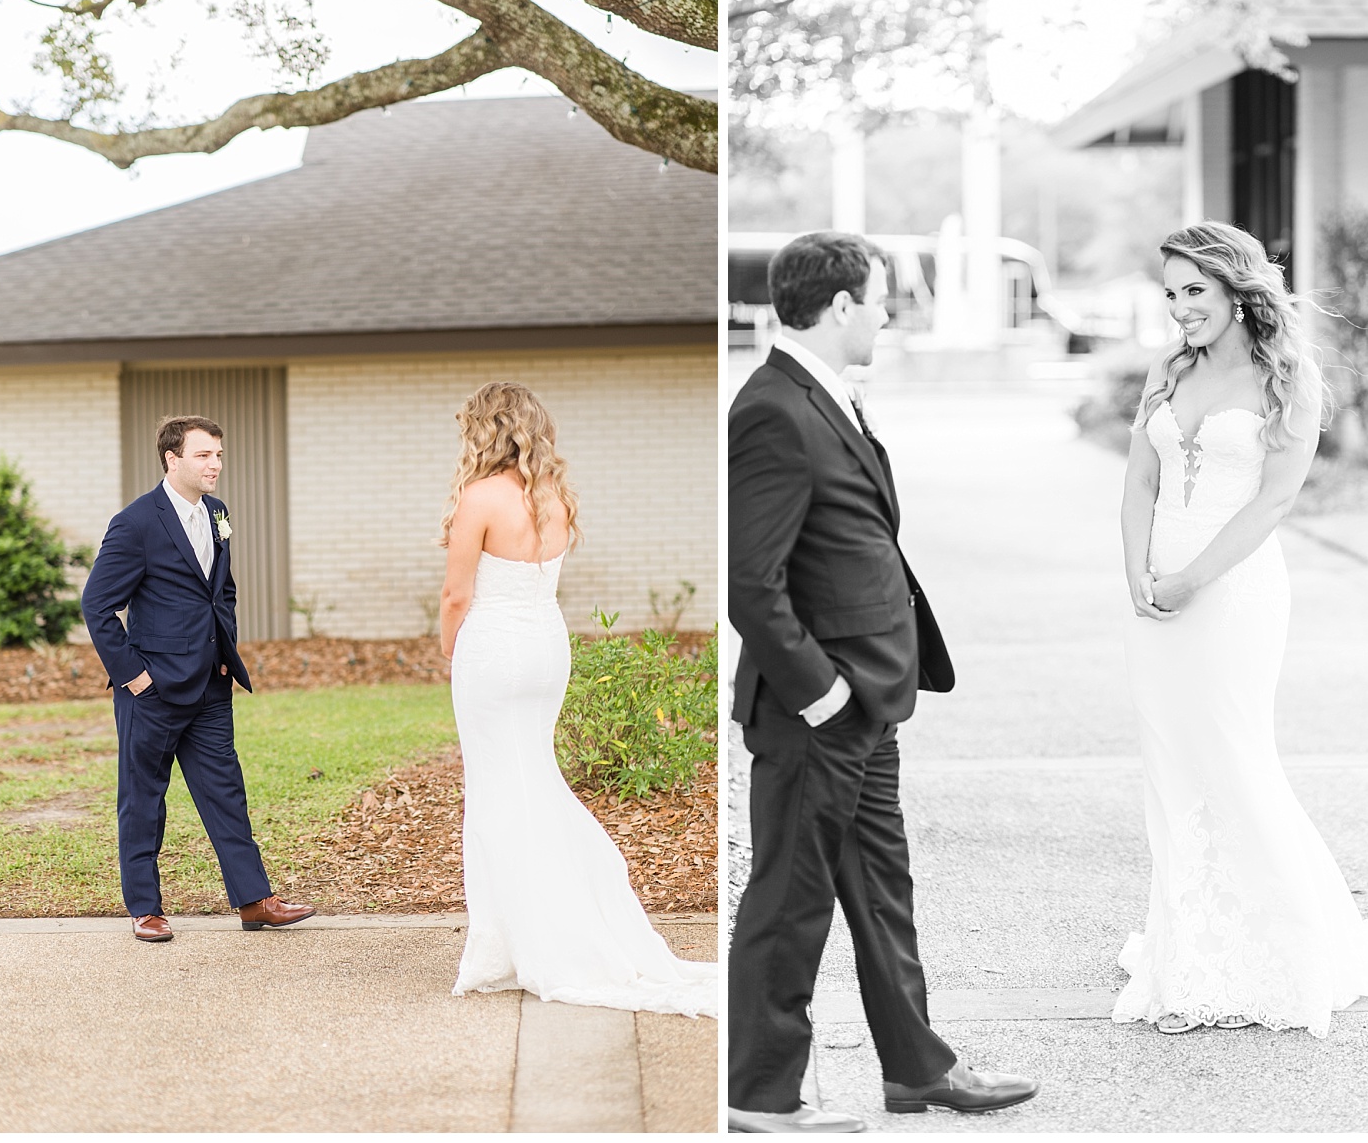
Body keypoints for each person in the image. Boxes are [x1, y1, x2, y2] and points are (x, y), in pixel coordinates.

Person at [727, 232, 1038, 1132]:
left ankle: (916, 1072)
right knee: (791, 898)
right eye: (880, 299)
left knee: (881, 893)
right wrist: (819, 691)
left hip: (868, 705)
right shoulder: (774, 409)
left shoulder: (827, 396)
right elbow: (754, 577)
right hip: (817, 709)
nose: (889, 314)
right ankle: (757, 1093)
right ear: (838, 308)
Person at [1116, 221, 1368, 1037]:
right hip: (1154, 594)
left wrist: (1194, 577)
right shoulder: (1167, 369)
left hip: (1234, 595)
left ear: (1237, 291)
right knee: (1171, 765)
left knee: (1233, 756)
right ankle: (1189, 953)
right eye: (1170, 292)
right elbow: (1139, 477)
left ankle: (1292, 945)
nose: (1180, 308)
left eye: (1195, 290)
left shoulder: (1288, 380)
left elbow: (1272, 502)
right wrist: (1136, 571)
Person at [439, 381, 716, 1017]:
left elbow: (457, 596)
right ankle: (542, 929)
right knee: (534, 779)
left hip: (495, 649)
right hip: (546, 644)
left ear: (486, 429)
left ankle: (520, 945)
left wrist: (451, 649)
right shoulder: (554, 496)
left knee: (497, 792)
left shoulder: (478, 497)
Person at [82, 415, 316, 942]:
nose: (214, 464)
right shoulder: (135, 522)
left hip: (210, 684)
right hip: (152, 690)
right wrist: (133, 677)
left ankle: (255, 901)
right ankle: (145, 908)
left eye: (218, 455)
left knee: (226, 794)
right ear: (173, 459)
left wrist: (225, 650)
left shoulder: (217, 513)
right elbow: (97, 605)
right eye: (203, 455)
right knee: (144, 799)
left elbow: (221, 590)